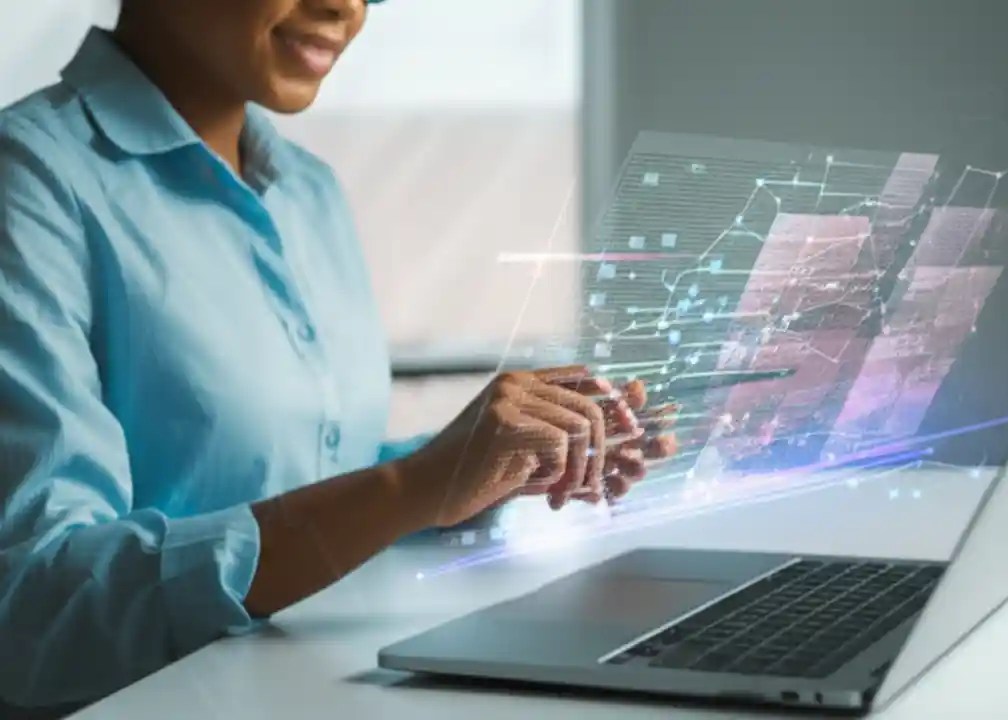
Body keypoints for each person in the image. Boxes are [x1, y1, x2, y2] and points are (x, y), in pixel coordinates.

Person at [0, 0, 676, 712]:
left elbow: (306, 474)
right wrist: (410, 488)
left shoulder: (307, 191)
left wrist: (486, 469)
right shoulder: (29, 184)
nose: (345, 7)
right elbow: (33, 613)